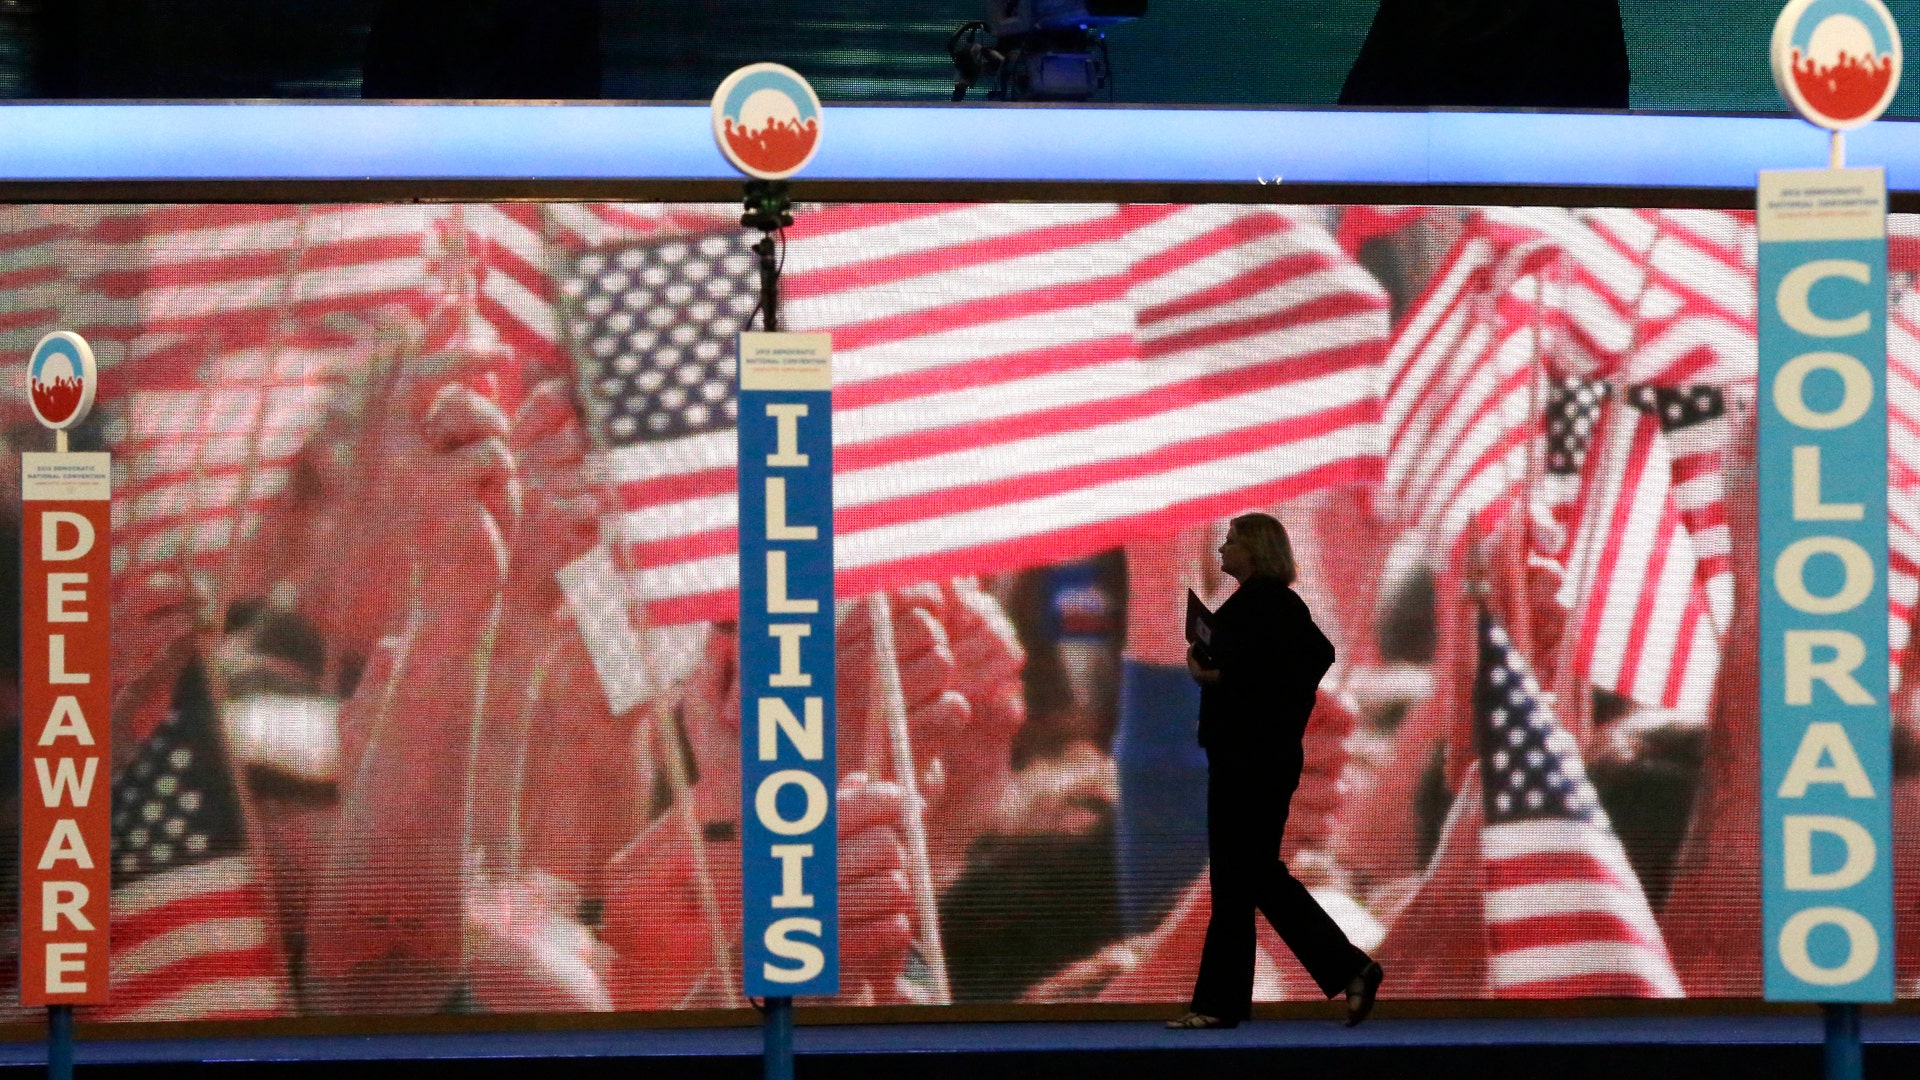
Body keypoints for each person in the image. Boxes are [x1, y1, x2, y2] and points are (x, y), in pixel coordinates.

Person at [1165, 512, 1383, 1030]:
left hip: (1254, 759)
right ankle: (1346, 971)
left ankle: (1226, 1004)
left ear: (1258, 550)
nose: (1221, 549)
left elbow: (1316, 655)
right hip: (1241, 754)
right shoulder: (1249, 602)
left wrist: (1227, 678)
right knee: (1247, 881)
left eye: (1232, 541)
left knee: (1243, 879)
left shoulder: (1272, 601)